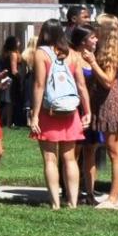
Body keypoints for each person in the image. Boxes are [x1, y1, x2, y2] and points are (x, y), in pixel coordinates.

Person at [31, 18, 88, 210]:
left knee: (50, 159)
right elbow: (81, 85)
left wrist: (35, 114)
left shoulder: (42, 53)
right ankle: (72, 202)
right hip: (71, 112)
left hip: (49, 111)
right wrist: (87, 111)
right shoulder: (72, 54)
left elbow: (39, 85)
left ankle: (55, 202)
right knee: (70, 158)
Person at [90, 17, 118, 207]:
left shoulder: (111, 53)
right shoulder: (100, 49)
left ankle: (115, 197)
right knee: (108, 149)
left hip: (110, 102)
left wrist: (92, 62)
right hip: (100, 101)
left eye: (97, 26)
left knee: (115, 151)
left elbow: (108, 80)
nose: (94, 29)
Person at [71, 25, 102, 205]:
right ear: (83, 41)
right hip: (76, 110)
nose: (96, 40)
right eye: (93, 37)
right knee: (74, 152)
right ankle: (71, 192)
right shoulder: (72, 58)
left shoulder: (93, 58)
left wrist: (93, 63)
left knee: (91, 150)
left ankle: (90, 193)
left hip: (92, 109)